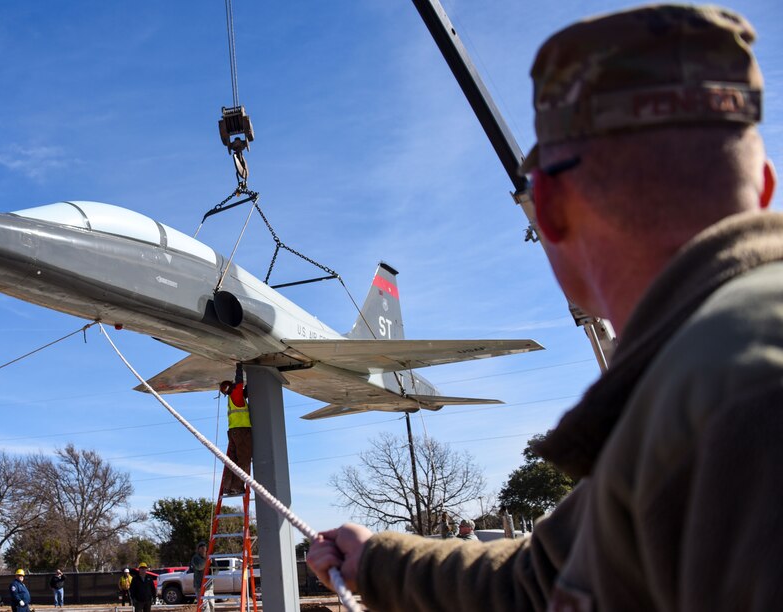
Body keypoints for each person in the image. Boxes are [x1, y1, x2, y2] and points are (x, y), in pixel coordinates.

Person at [307, 4, 781, 611]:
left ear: (549, 208)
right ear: (763, 187)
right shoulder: (687, 398)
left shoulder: (733, 395)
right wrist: (377, 560)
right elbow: (542, 578)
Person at [219, 363, 252, 496]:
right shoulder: (236, 394)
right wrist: (239, 367)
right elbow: (239, 384)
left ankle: (227, 486)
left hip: (233, 432)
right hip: (242, 432)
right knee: (244, 459)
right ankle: (237, 486)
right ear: (231, 387)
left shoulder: (233, 398)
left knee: (232, 460)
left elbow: (244, 392)